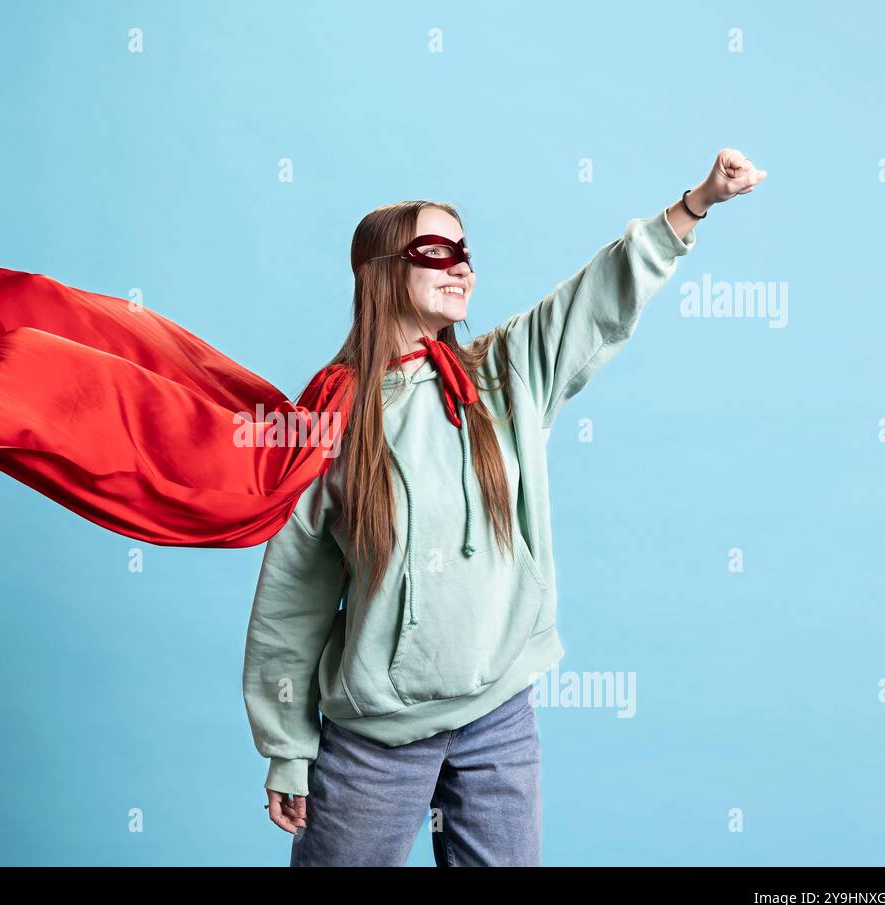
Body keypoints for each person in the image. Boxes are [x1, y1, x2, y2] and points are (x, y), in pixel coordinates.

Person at [241, 148, 767, 867]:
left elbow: (592, 302)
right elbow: (293, 599)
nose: (461, 266)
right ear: (381, 272)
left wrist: (693, 205)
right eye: (436, 251)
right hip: (377, 735)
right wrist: (288, 749)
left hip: (498, 718)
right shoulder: (334, 416)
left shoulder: (500, 376)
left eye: (466, 251)